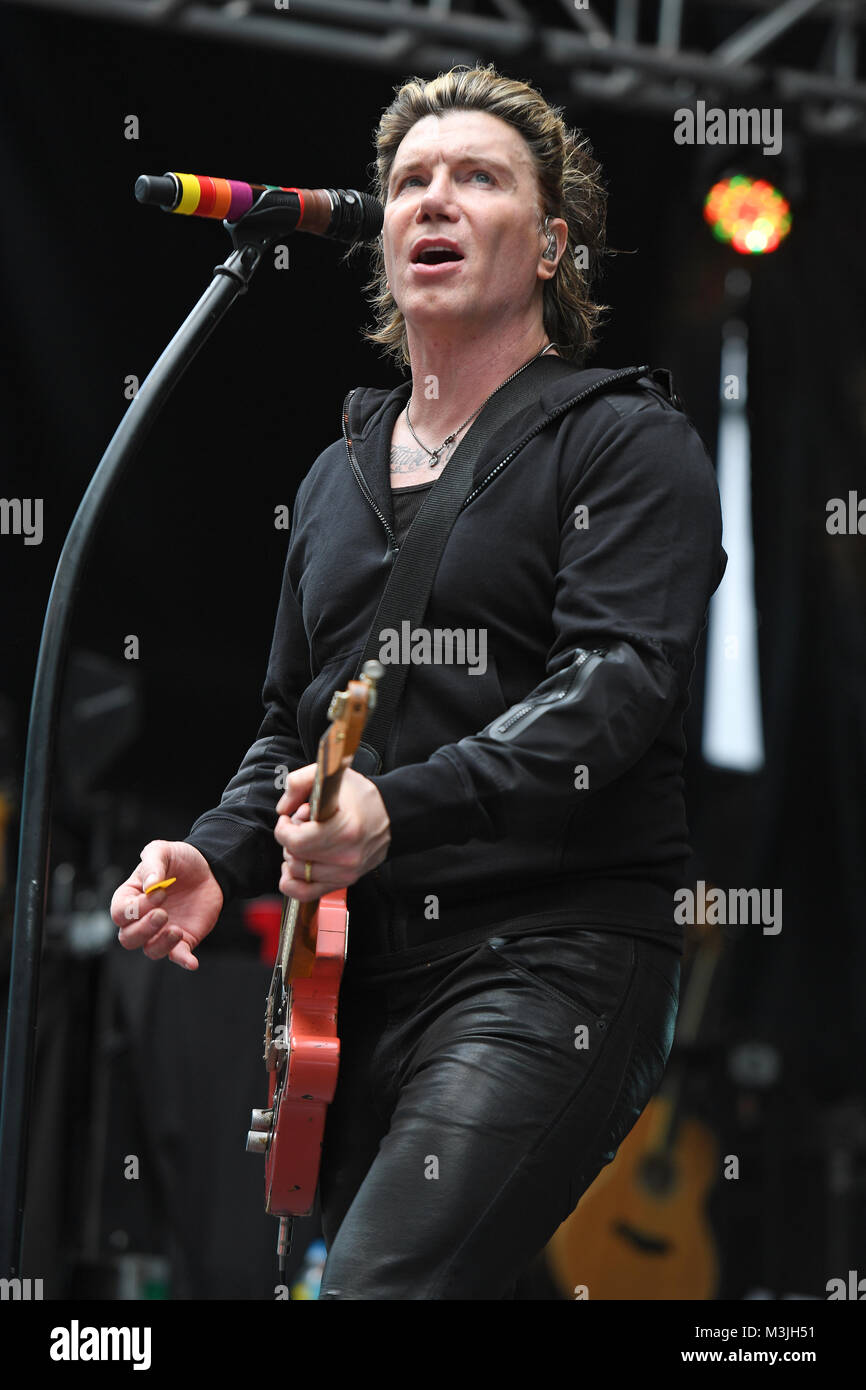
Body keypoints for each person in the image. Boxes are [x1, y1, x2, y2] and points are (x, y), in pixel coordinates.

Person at [110, 63, 726, 1299]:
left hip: (551, 959)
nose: (431, 199)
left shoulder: (623, 440)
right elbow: (289, 724)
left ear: (552, 244)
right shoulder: (335, 476)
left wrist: (401, 805)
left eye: (476, 178)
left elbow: (613, 689)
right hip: (355, 974)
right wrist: (215, 857)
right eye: (408, 182)